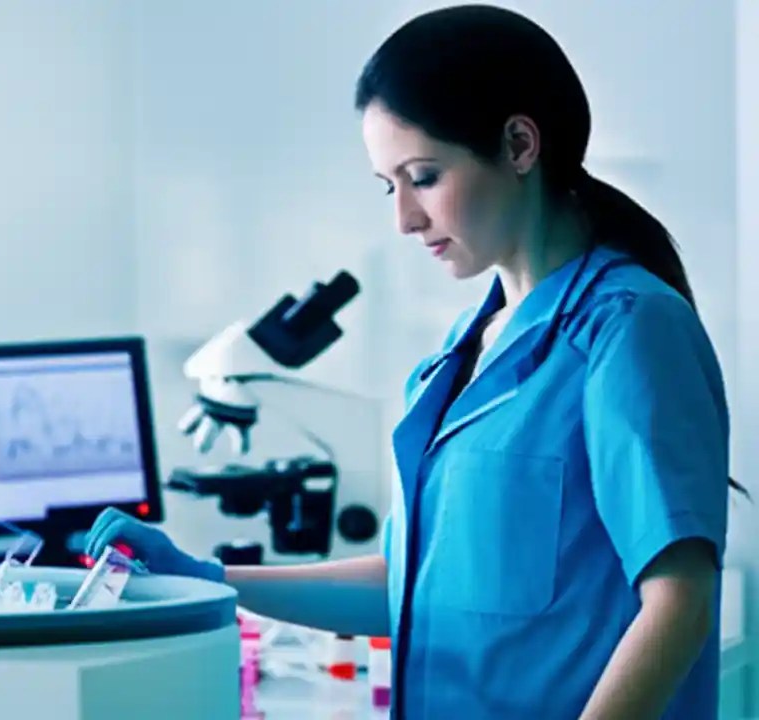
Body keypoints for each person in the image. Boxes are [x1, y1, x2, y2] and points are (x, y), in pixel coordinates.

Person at [84, 5, 746, 719]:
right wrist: (209, 579)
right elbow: (408, 586)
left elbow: (678, 600)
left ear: (520, 144)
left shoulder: (627, 328)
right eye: (388, 185)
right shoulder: (459, 357)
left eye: (423, 176)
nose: (403, 218)